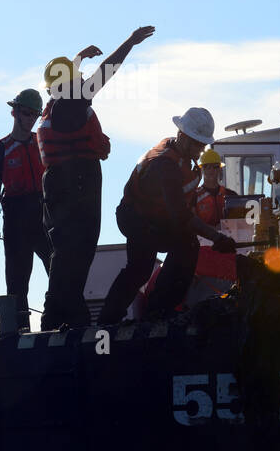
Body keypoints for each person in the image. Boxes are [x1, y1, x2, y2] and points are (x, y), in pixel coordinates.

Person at [36, 26, 155, 330]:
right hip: (76, 182)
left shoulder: (56, 107)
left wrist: (77, 57)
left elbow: (70, 79)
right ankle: (58, 317)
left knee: (67, 252)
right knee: (76, 251)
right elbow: (106, 73)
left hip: (60, 182)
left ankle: (68, 316)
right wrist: (129, 42)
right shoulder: (71, 105)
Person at [98, 108, 237, 325]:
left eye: (202, 145)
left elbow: (181, 213)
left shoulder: (182, 160)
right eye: (196, 144)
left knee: (186, 245)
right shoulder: (165, 165)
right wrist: (216, 237)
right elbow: (181, 216)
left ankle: (161, 309)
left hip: (155, 219)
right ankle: (109, 320)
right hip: (137, 219)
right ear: (182, 136)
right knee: (140, 268)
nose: (200, 150)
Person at [0, 89, 51, 330]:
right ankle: (20, 329)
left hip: (44, 214)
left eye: (34, 114)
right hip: (15, 216)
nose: (30, 118)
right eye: (26, 113)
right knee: (17, 280)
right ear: (14, 112)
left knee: (58, 268)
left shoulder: (41, 143)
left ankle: (55, 316)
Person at [193, 149, 239, 227]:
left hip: (228, 238)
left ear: (220, 169)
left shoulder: (231, 195)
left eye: (215, 166)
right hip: (203, 238)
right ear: (202, 169)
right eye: (206, 166)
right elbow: (193, 223)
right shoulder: (194, 196)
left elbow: (239, 221)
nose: (211, 170)